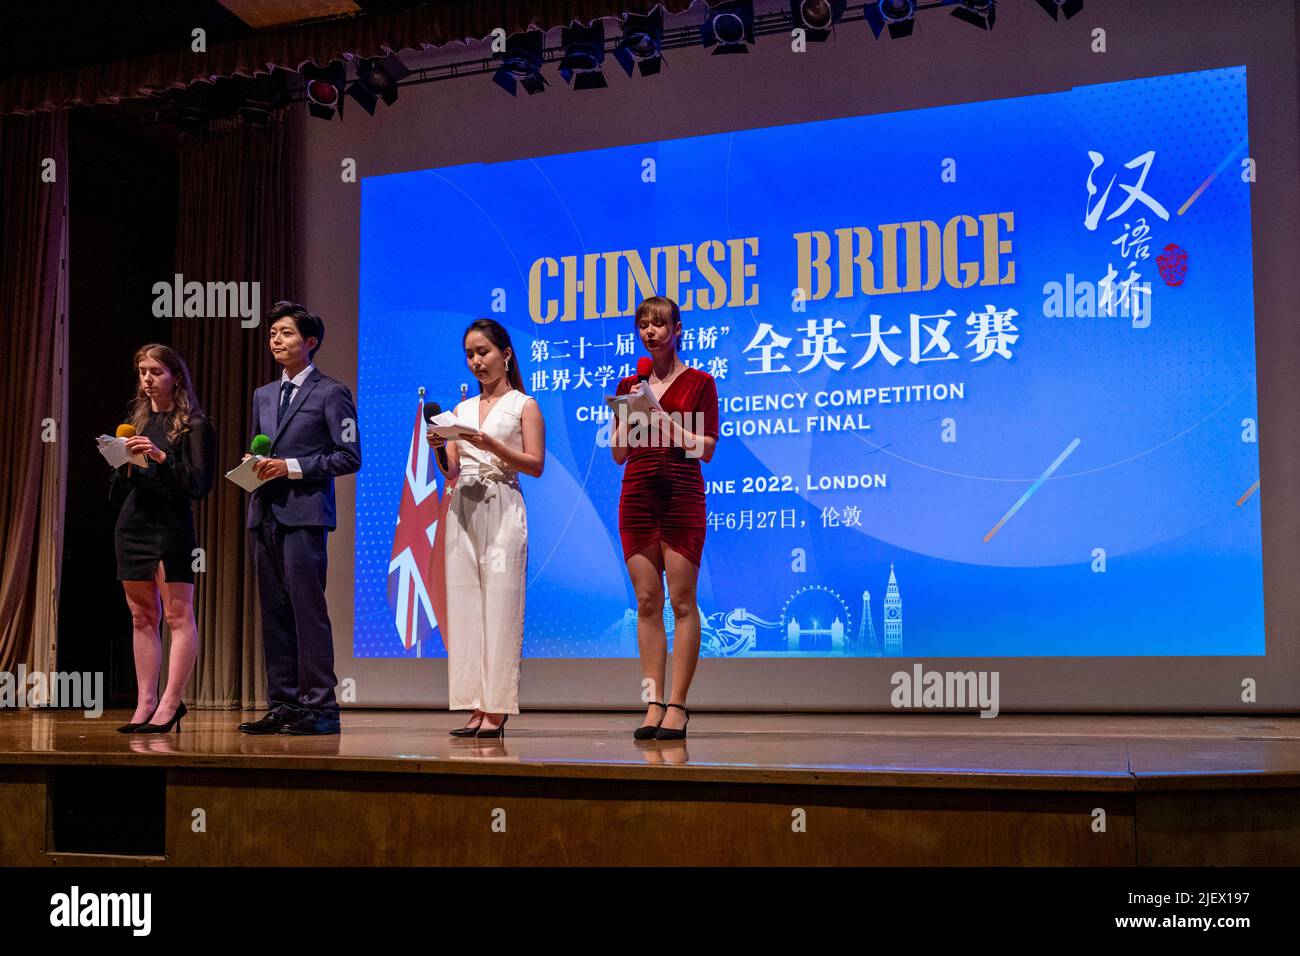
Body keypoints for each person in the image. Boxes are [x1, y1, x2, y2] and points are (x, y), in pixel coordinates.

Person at [238, 302, 361, 736]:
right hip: (265, 513)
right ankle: (284, 704)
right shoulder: (264, 395)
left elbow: (349, 456)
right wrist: (256, 464)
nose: (276, 339)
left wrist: (289, 466)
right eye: (273, 333)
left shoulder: (332, 392)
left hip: (305, 517)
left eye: (286, 333)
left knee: (308, 612)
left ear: (310, 342)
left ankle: (321, 709)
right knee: (274, 613)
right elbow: (262, 448)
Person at [427, 319, 544, 738]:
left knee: (501, 605)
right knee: (465, 606)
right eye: (471, 354)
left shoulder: (523, 405)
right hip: (463, 505)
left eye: (484, 352)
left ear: (506, 354)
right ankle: (475, 703)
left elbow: (536, 464)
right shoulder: (461, 410)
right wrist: (441, 448)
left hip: (502, 503)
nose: (477, 361)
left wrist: (492, 444)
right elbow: (452, 470)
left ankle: (497, 705)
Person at [611, 296, 719, 740]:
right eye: (642, 325)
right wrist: (632, 408)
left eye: (658, 324)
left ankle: (678, 704)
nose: (649, 332)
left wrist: (659, 414)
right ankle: (652, 702)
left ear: (677, 329)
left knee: (681, 602)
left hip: (681, 494)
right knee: (647, 603)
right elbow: (619, 453)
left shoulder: (699, 383)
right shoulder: (629, 383)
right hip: (637, 495)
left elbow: (706, 449)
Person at [109, 344, 216, 734]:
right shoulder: (136, 421)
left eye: (156, 372)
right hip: (133, 524)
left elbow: (198, 484)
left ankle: (172, 701)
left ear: (176, 377)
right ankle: (146, 702)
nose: (148, 379)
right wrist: (121, 462)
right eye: (142, 372)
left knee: (177, 614)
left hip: (170, 526)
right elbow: (122, 488)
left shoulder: (194, 425)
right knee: (141, 617)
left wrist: (159, 456)